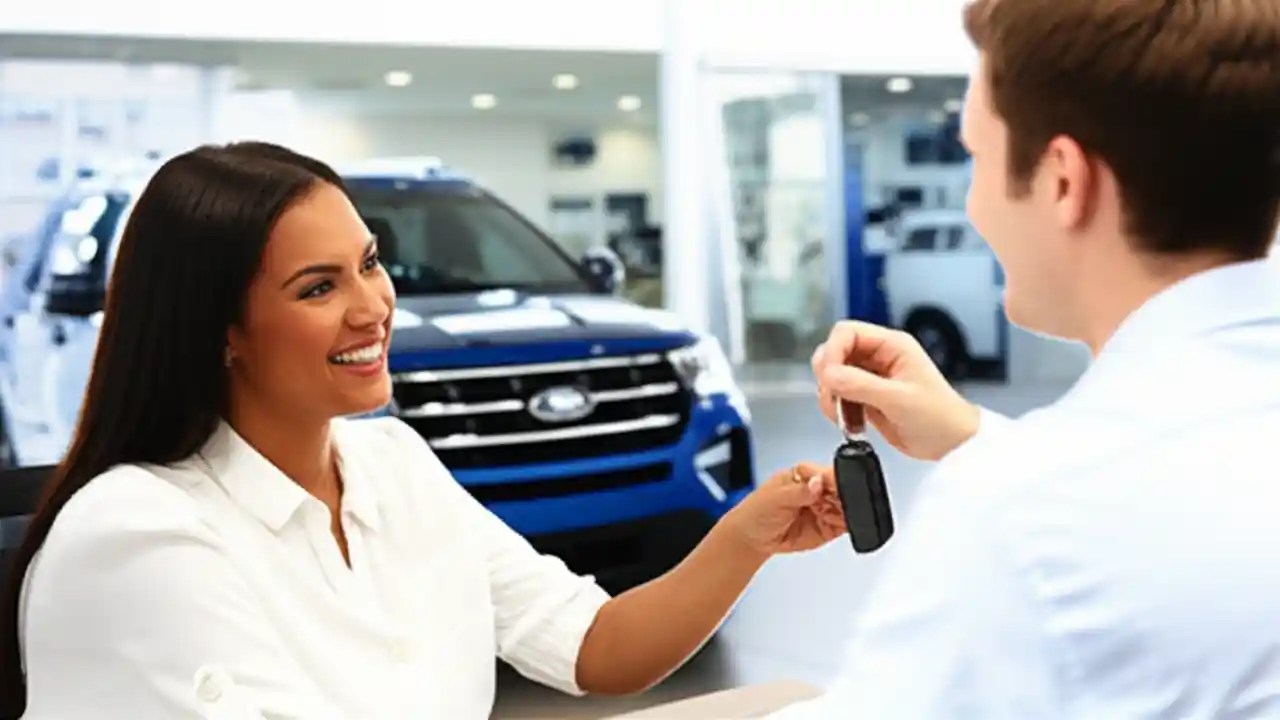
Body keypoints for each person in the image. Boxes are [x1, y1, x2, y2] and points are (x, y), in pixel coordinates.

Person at [0, 141, 850, 719]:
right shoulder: (137, 536)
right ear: (220, 331)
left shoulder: (391, 465)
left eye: (370, 262)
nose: (374, 307)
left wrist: (748, 538)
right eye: (317, 287)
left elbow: (596, 646)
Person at [768, 0, 1280, 717]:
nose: (976, 205)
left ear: (1064, 182)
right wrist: (971, 435)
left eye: (976, 156)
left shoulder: (1019, 517)